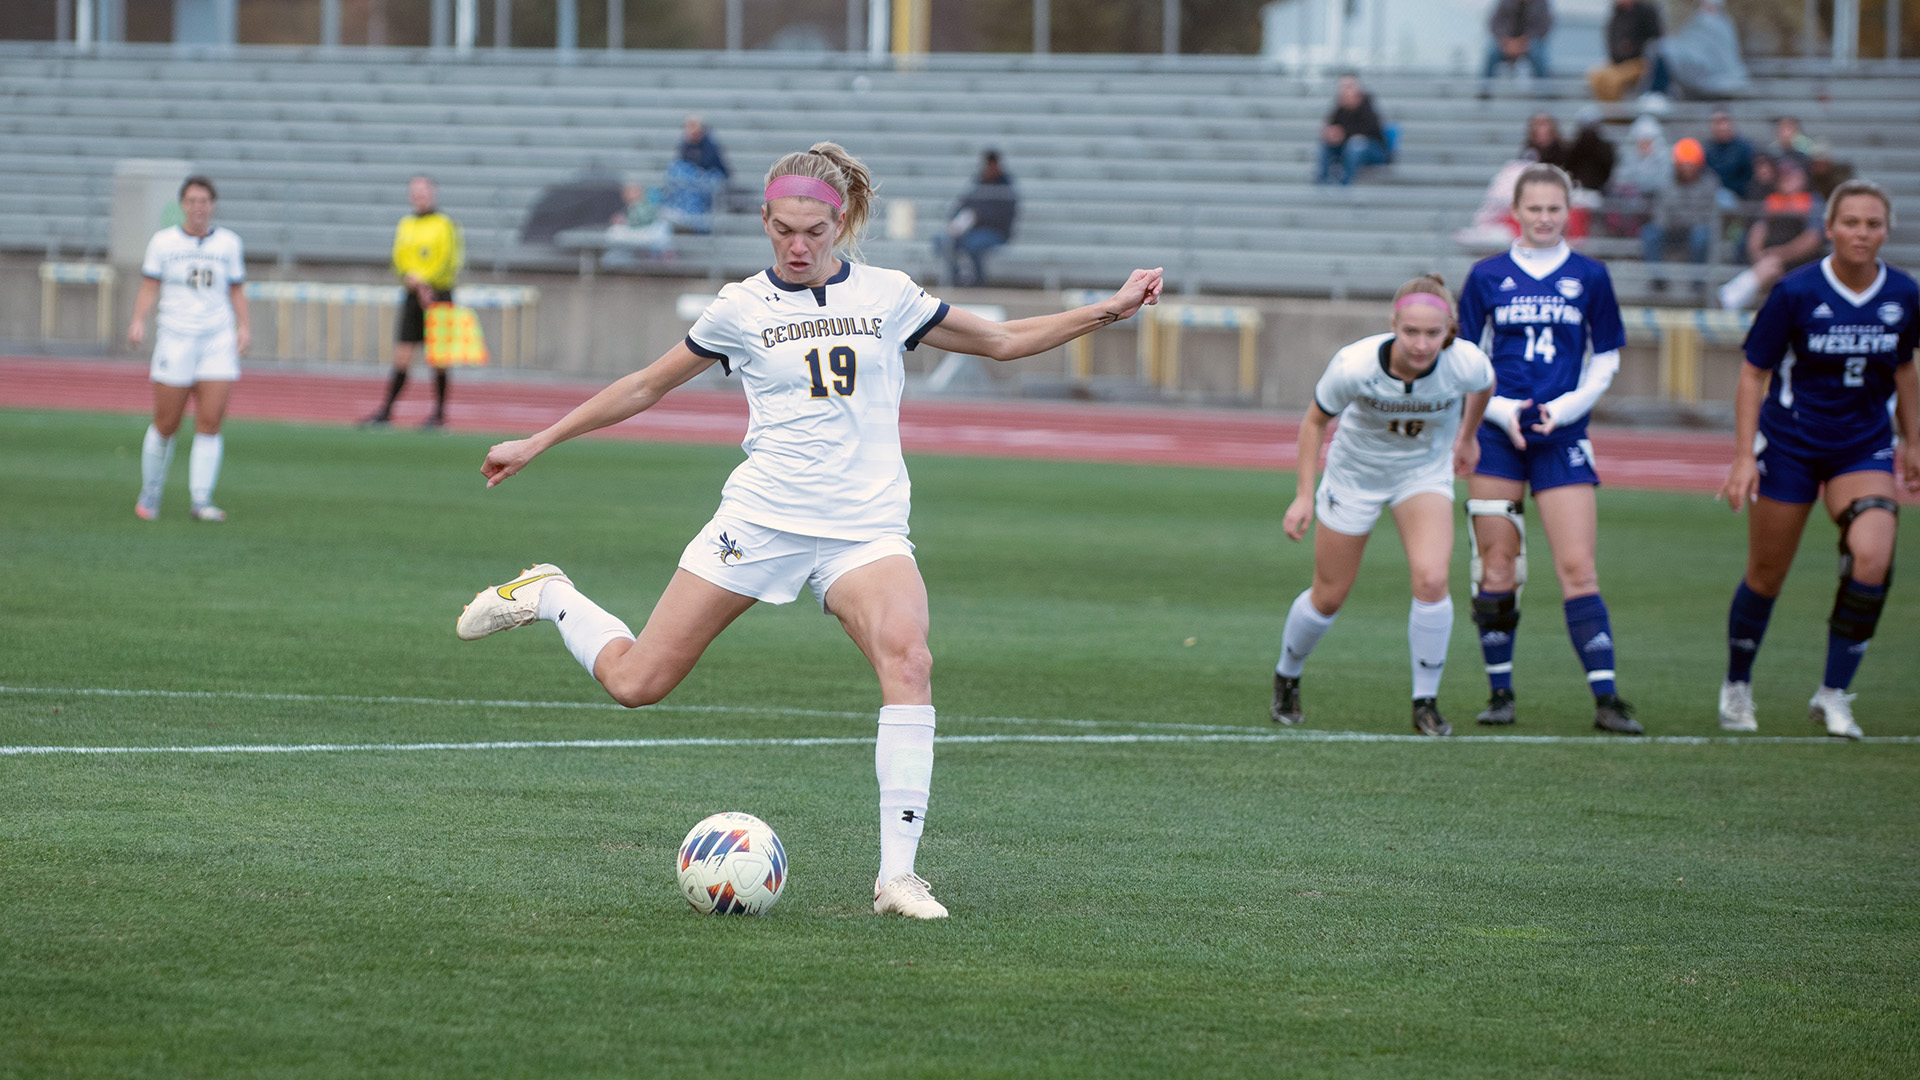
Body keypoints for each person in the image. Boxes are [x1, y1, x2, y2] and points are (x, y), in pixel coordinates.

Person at [452, 142, 1164, 919]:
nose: (797, 246)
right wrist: (539, 439)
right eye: (783, 230)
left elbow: (999, 342)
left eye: (813, 232)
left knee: (910, 660)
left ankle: (897, 877)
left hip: (865, 531)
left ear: (842, 222)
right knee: (637, 684)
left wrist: (1109, 308)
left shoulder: (891, 295)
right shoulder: (740, 308)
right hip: (760, 522)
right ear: (764, 220)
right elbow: (645, 386)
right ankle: (551, 594)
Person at [1717, 180, 1918, 737]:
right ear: (1829, 229)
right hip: (1791, 445)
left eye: (1873, 223)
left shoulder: (1903, 292)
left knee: (1873, 559)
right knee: (1766, 574)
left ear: (1886, 230)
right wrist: (1742, 457)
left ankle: (1833, 692)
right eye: (1850, 222)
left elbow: (1904, 369)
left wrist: (1913, 440)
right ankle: (1737, 684)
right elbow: (1754, 373)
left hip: (1863, 446)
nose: (1862, 233)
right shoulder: (1795, 291)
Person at [1456, 164, 1641, 734]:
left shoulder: (1591, 275)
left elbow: (1605, 358)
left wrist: (1560, 411)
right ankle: (1500, 692)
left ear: (1569, 211)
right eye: (1533, 208)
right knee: (1497, 565)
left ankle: (1607, 699)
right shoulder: (1486, 275)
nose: (1543, 218)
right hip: (1496, 435)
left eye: (1553, 209)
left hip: (1562, 435)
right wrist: (1505, 412)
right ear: (1516, 211)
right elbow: (1464, 363)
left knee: (1577, 567)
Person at [1271, 276, 1495, 737]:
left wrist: (1467, 436)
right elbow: (1314, 423)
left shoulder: (1466, 362)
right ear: (1393, 323)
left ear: (1449, 329)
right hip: (1355, 477)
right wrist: (1303, 494)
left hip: (1422, 475)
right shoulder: (1354, 364)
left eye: (1432, 333)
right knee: (1329, 595)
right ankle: (1287, 674)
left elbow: (1484, 386)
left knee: (1432, 579)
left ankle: (1425, 701)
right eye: (1410, 331)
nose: (1420, 343)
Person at [127, 175, 250, 523]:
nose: (198, 208)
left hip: (216, 339)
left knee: (210, 421)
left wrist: (244, 327)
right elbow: (150, 286)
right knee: (166, 423)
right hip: (176, 337)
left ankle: (201, 499)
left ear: (213, 205)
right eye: (192, 201)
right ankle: (151, 490)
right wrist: (138, 319)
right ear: (183, 205)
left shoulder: (228, 243)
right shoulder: (164, 243)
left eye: (205, 201)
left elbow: (237, 289)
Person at [364, 175, 463, 428]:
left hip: (438, 296)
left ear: (433, 193)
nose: (419, 196)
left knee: (439, 358)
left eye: (424, 191)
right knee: (402, 355)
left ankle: (439, 414)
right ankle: (387, 410)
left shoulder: (445, 224)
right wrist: (413, 281)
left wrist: (426, 282)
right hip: (411, 295)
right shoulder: (406, 223)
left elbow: (448, 260)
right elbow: (398, 258)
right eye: (415, 192)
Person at [1718, 156, 1826, 310]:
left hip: (1803, 263)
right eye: (1783, 174)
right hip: (1771, 262)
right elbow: (1758, 232)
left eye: (1791, 174)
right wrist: (1759, 255)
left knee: (1771, 269)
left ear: (1803, 176)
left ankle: (1729, 298)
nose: (1786, 178)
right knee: (1770, 270)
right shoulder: (1772, 200)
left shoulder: (1812, 200)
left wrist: (1780, 254)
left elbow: (1813, 239)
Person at [1641, 138, 1718, 290]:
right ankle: (1658, 278)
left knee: (1701, 235)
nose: (1688, 169)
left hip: (1694, 232)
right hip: (1671, 230)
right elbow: (1661, 215)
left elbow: (1707, 217)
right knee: (1650, 233)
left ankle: (1698, 280)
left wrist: (1682, 218)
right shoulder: (1666, 182)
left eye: (1691, 165)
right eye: (1684, 164)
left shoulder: (1709, 183)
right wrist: (1679, 220)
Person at [935, 150, 1018, 287]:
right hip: (971, 230)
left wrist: (978, 217)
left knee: (975, 244)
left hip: (995, 232)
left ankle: (978, 283)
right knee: (944, 241)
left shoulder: (1006, 188)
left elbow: (1004, 216)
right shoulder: (979, 183)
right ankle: (955, 279)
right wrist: (957, 220)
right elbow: (963, 204)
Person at [1657, 0, 1748, 99]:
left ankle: (1659, 92)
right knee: (1664, 48)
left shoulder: (1719, 24)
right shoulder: (1697, 21)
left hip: (1714, 75)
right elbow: (1689, 42)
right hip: (1699, 69)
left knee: (1666, 49)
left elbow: (1719, 55)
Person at [1316, 75, 1392, 187]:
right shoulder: (1339, 109)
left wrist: (1343, 134)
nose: (1346, 91)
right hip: (1346, 148)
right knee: (1325, 144)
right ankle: (1322, 181)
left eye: (1349, 87)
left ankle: (1345, 183)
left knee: (1356, 144)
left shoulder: (1368, 107)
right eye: (1343, 87)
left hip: (1373, 150)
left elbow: (1367, 130)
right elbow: (1331, 127)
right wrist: (1329, 134)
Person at [1587, 0, 1667, 104]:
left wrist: (1632, 48)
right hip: (1617, 62)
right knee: (1595, 77)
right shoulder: (1616, 15)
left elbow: (1656, 40)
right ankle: (1610, 115)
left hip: (1639, 62)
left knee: (1612, 80)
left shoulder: (1645, 13)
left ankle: (1618, 117)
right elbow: (1610, 40)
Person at [662, 115, 731, 233]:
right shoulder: (685, 145)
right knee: (676, 170)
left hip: (708, 182)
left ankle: (693, 217)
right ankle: (683, 212)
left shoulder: (710, 146)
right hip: (693, 182)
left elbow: (713, 167)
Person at [1480, 0, 1553, 91]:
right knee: (1491, 52)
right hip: (1507, 42)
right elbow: (1494, 24)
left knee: (1538, 54)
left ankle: (1543, 93)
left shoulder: (1541, 3)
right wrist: (1507, 41)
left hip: (1529, 42)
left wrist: (1523, 41)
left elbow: (1545, 26)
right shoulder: (1504, 2)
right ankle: (1484, 91)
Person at [1564, 105, 1616, 195]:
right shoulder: (1574, 147)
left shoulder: (1605, 147)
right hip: (1577, 189)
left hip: (1600, 191)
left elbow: (1608, 168)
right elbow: (1569, 166)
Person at [1703, 109, 1755, 200]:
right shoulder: (1706, 150)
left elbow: (1749, 179)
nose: (1722, 127)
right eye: (1717, 122)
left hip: (1739, 197)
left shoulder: (1744, 148)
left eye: (1725, 121)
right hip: (1710, 195)